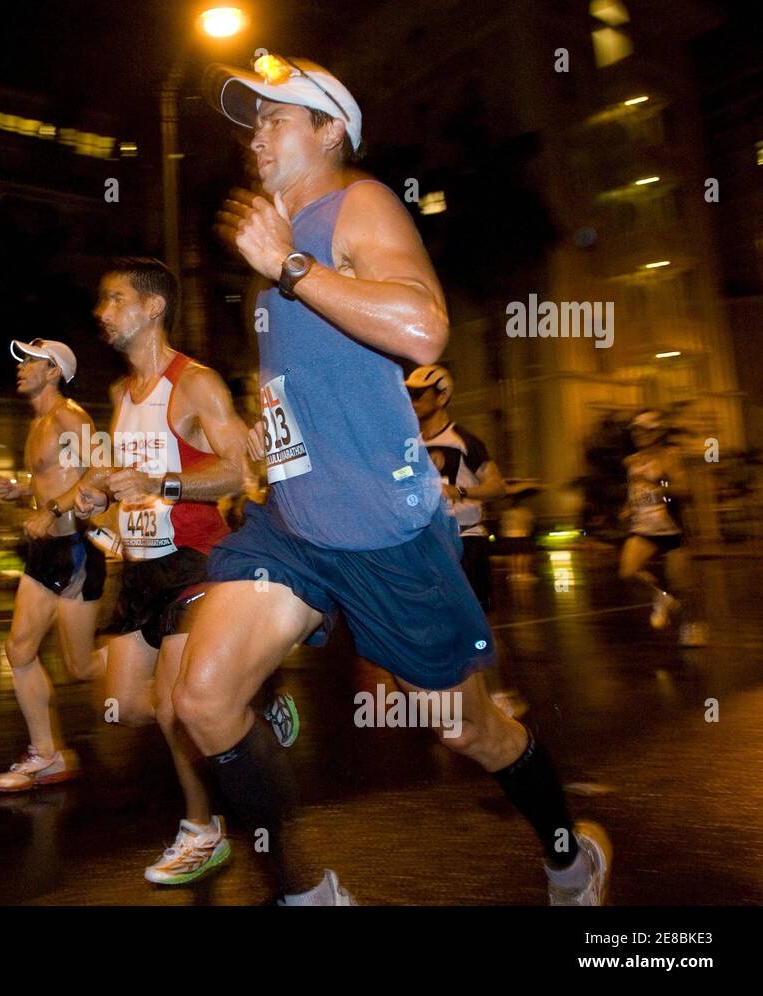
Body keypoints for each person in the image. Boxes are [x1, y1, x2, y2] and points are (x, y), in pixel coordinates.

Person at [169, 53, 610, 905]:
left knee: (465, 727)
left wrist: (289, 266)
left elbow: (424, 327)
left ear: (329, 130)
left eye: (275, 118)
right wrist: (274, 433)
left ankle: (568, 856)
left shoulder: (357, 206)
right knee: (202, 697)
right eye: (250, 121)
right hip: (293, 522)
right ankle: (307, 896)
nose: (255, 136)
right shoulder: (272, 240)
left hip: (380, 527)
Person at [53, 257, 297, 885]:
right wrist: (95, 489)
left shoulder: (196, 384)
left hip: (196, 563)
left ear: (152, 307)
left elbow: (233, 473)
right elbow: (122, 471)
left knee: (174, 706)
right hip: (140, 570)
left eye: (114, 299)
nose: (101, 313)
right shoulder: (119, 394)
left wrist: (161, 481)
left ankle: (202, 831)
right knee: (125, 704)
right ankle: (256, 694)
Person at [0, 338, 107, 791]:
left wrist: (52, 511)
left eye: (31, 362)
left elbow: (100, 474)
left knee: (79, 667)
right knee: (19, 650)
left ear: (53, 371)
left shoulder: (68, 417)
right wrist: (21, 491)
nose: (20, 368)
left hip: (74, 547)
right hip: (44, 554)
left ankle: (167, 670)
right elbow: (57, 478)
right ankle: (47, 754)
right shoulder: (38, 423)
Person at [406, 364, 506, 611]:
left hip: (466, 540)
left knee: (475, 620)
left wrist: (460, 492)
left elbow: (497, 486)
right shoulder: (411, 444)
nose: (412, 400)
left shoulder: (463, 440)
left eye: (419, 394)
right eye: (409, 394)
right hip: (427, 542)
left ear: (442, 397)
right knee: (434, 617)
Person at [619, 410, 705, 646]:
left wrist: (659, 483)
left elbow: (682, 489)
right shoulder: (632, 461)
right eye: (635, 430)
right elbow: (634, 491)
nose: (639, 435)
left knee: (682, 585)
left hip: (672, 529)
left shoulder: (670, 456)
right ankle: (660, 598)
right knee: (627, 572)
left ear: (658, 432)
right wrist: (627, 507)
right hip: (644, 528)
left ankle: (692, 627)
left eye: (645, 430)